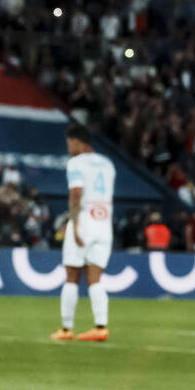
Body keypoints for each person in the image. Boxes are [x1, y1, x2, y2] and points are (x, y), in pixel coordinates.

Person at [51, 124, 116, 342]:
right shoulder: (108, 164)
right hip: (104, 223)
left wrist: (74, 224)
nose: (68, 147)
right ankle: (101, 327)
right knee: (95, 278)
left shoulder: (76, 163)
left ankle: (66, 329)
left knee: (71, 276)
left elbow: (76, 194)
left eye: (69, 143)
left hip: (85, 221)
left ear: (78, 141)